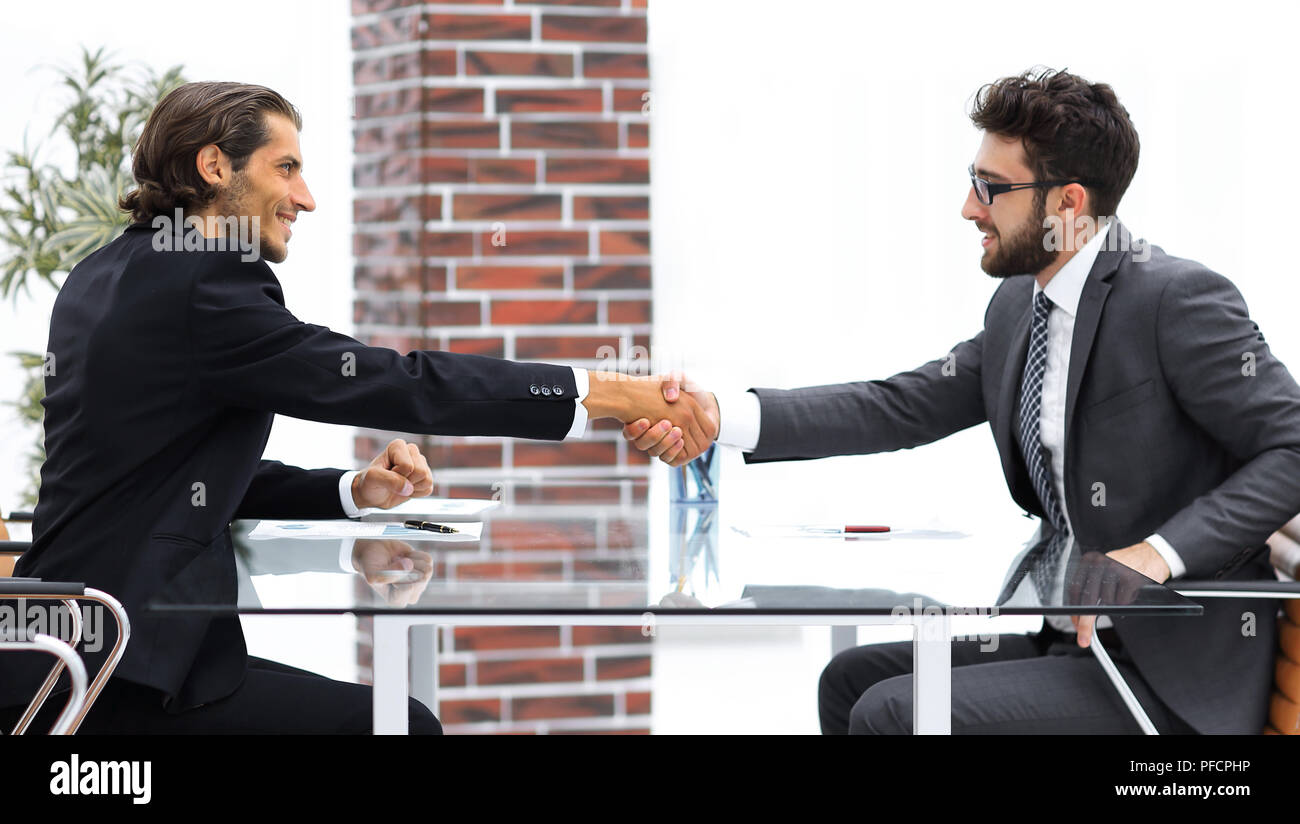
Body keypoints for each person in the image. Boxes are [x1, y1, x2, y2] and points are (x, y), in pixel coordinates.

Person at [0, 81, 717, 734]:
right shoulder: (207, 281)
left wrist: (350, 491)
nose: (306, 197)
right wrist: (606, 392)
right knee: (401, 728)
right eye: (285, 168)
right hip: (120, 679)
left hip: (57, 653)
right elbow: (402, 383)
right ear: (215, 166)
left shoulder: (102, 274)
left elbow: (162, 470)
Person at [628, 68, 1296, 734]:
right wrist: (721, 416)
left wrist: (1156, 553)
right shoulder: (1020, 306)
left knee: (893, 714)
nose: (970, 208)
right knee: (851, 681)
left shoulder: (1172, 299)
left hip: (1173, 677)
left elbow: (1292, 446)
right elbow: (900, 406)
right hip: (1072, 639)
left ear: (1067, 203)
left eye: (991, 188)